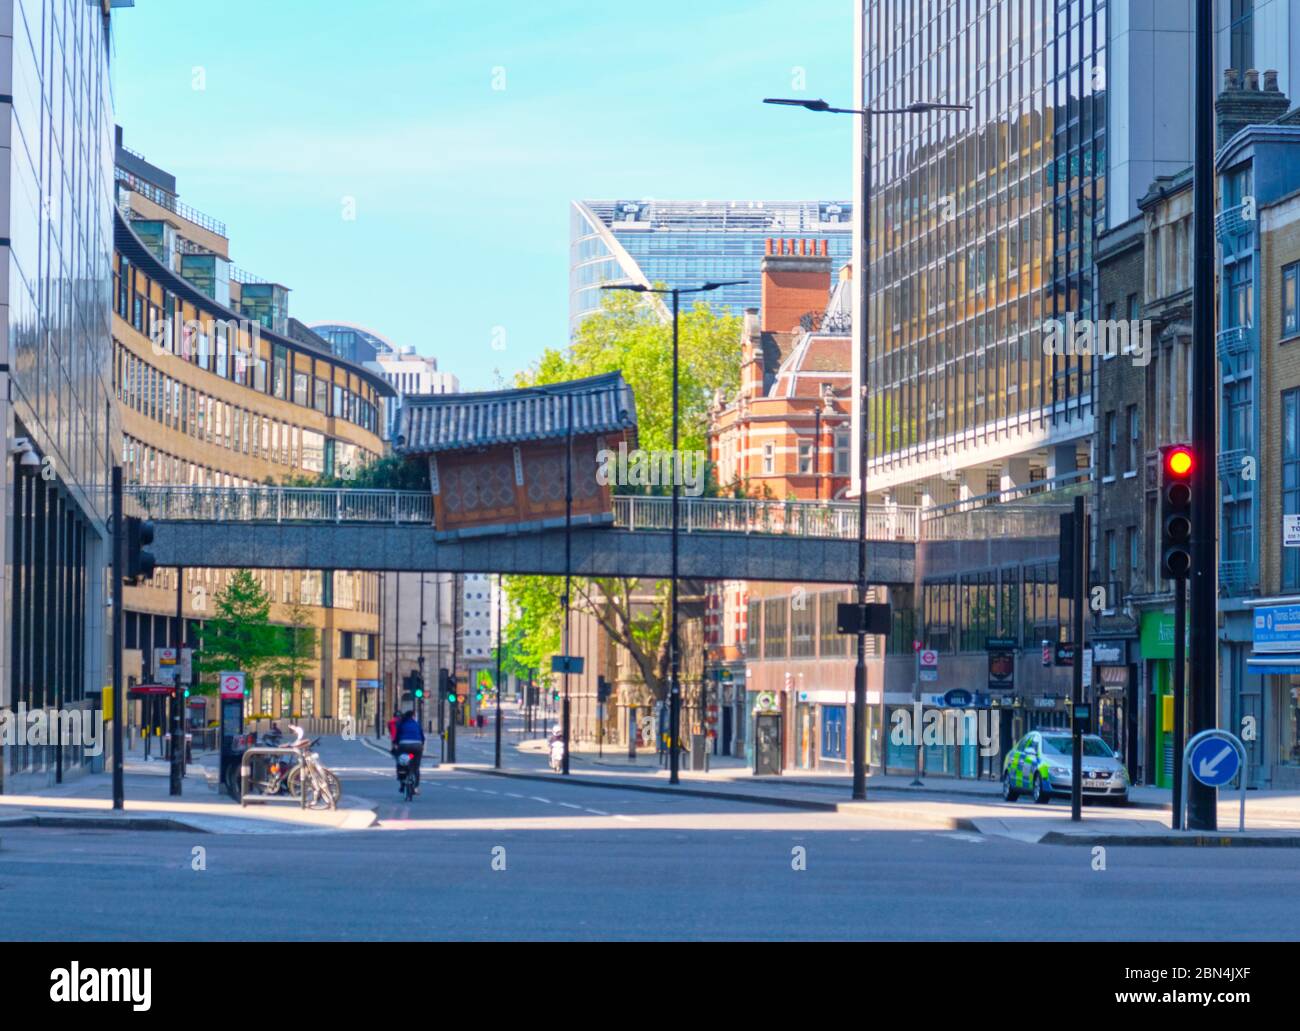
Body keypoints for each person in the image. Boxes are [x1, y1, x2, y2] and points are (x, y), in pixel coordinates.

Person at [392, 709, 425, 793]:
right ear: (413, 716)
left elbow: (397, 737)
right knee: (416, 766)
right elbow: (422, 737)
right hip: (417, 746)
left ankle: (402, 783)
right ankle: (415, 787)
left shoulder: (401, 724)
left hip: (404, 746)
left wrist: (395, 745)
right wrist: (422, 746)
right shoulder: (417, 724)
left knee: (401, 762)